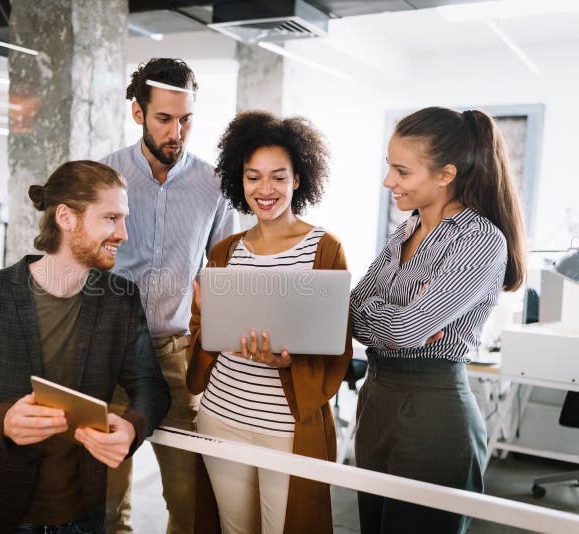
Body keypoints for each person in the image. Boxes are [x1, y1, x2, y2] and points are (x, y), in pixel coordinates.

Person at [0, 161, 171, 534]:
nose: (123, 233)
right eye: (110, 218)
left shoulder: (120, 299)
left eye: (123, 219)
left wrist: (132, 428)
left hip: (83, 515)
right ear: (66, 217)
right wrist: (4, 421)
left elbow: (150, 387)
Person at [350, 107, 526, 534]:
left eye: (402, 171)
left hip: (432, 410)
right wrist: (395, 323)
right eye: (388, 167)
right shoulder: (405, 230)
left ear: (446, 174)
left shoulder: (480, 239)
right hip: (375, 402)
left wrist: (393, 323)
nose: (388, 181)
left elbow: (403, 329)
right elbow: (353, 311)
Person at [186, 111, 353, 534]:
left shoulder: (324, 249)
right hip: (221, 414)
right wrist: (204, 314)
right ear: (238, 181)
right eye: (252, 176)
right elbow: (202, 337)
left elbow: (337, 342)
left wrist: (287, 362)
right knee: (234, 528)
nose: (265, 190)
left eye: (279, 177)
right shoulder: (225, 250)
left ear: (298, 179)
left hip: (284, 425)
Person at [101, 58, 239, 534]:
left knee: (190, 500)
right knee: (106, 496)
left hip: (178, 358)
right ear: (138, 114)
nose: (176, 132)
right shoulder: (104, 176)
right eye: (164, 118)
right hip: (110, 354)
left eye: (186, 119)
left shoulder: (215, 184)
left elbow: (222, 271)